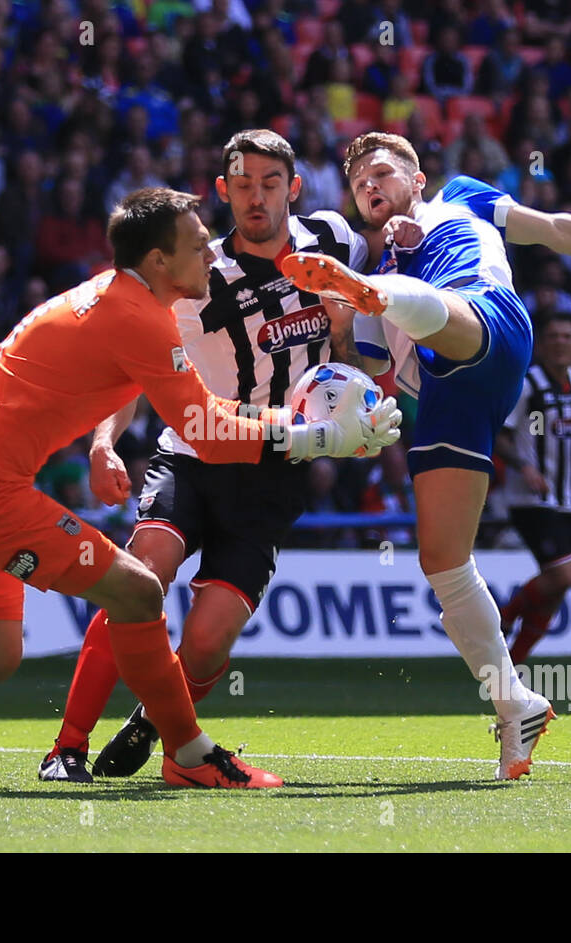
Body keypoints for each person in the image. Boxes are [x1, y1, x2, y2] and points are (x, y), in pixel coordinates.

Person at [0, 188, 399, 792]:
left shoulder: (117, 298)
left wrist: (106, 442)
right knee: (137, 589)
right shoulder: (138, 317)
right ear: (161, 260)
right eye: (199, 246)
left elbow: (162, 397)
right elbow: (207, 427)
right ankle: (190, 752)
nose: (212, 253)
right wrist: (315, 434)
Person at [278, 131, 571, 780]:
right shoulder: (371, 271)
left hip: (489, 325)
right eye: (359, 185)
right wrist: (340, 335)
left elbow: (554, 229)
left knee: (427, 305)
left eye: (382, 173)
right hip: (446, 391)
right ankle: (513, 702)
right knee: (443, 559)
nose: (370, 188)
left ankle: (388, 298)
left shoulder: (459, 200)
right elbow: (369, 371)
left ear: (417, 180)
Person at [41, 129, 379, 782]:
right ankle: (68, 745)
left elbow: (368, 330)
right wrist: (105, 441)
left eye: (270, 183)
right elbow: (138, 370)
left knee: (205, 639)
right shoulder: (198, 275)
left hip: (276, 472)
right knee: (140, 579)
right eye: (243, 184)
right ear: (223, 191)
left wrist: (352, 346)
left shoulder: (337, 243)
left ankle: (163, 736)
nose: (257, 197)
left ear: (296, 188)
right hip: (191, 456)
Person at [495, 314, 571, 663]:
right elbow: (499, 434)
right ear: (542, 345)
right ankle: (498, 622)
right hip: (532, 498)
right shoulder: (527, 384)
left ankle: (511, 663)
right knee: (564, 574)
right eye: (554, 336)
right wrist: (525, 466)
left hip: (570, 499)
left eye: (568, 336)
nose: (561, 342)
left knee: (559, 588)